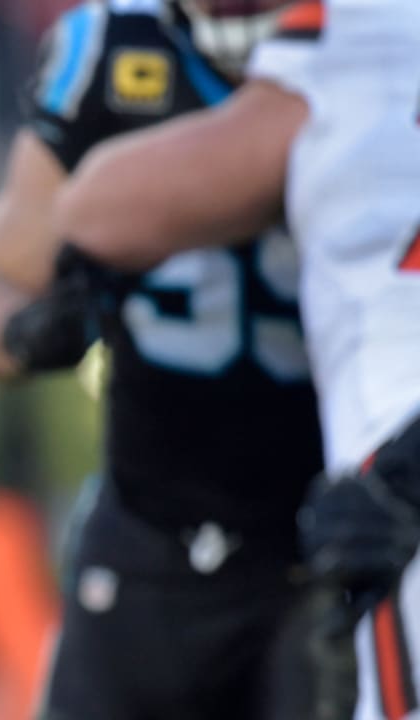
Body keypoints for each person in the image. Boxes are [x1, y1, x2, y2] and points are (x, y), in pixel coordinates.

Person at [0, 1, 325, 718]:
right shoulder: (111, 49)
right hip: (153, 533)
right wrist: (26, 333)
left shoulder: (376, 41)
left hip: (332, 539)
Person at [53, 2, 420, 718]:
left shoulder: (359, 34)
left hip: (374, 505)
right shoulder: (117, 43)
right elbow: (41, 245)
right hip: (188, 526)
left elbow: (93, 211)